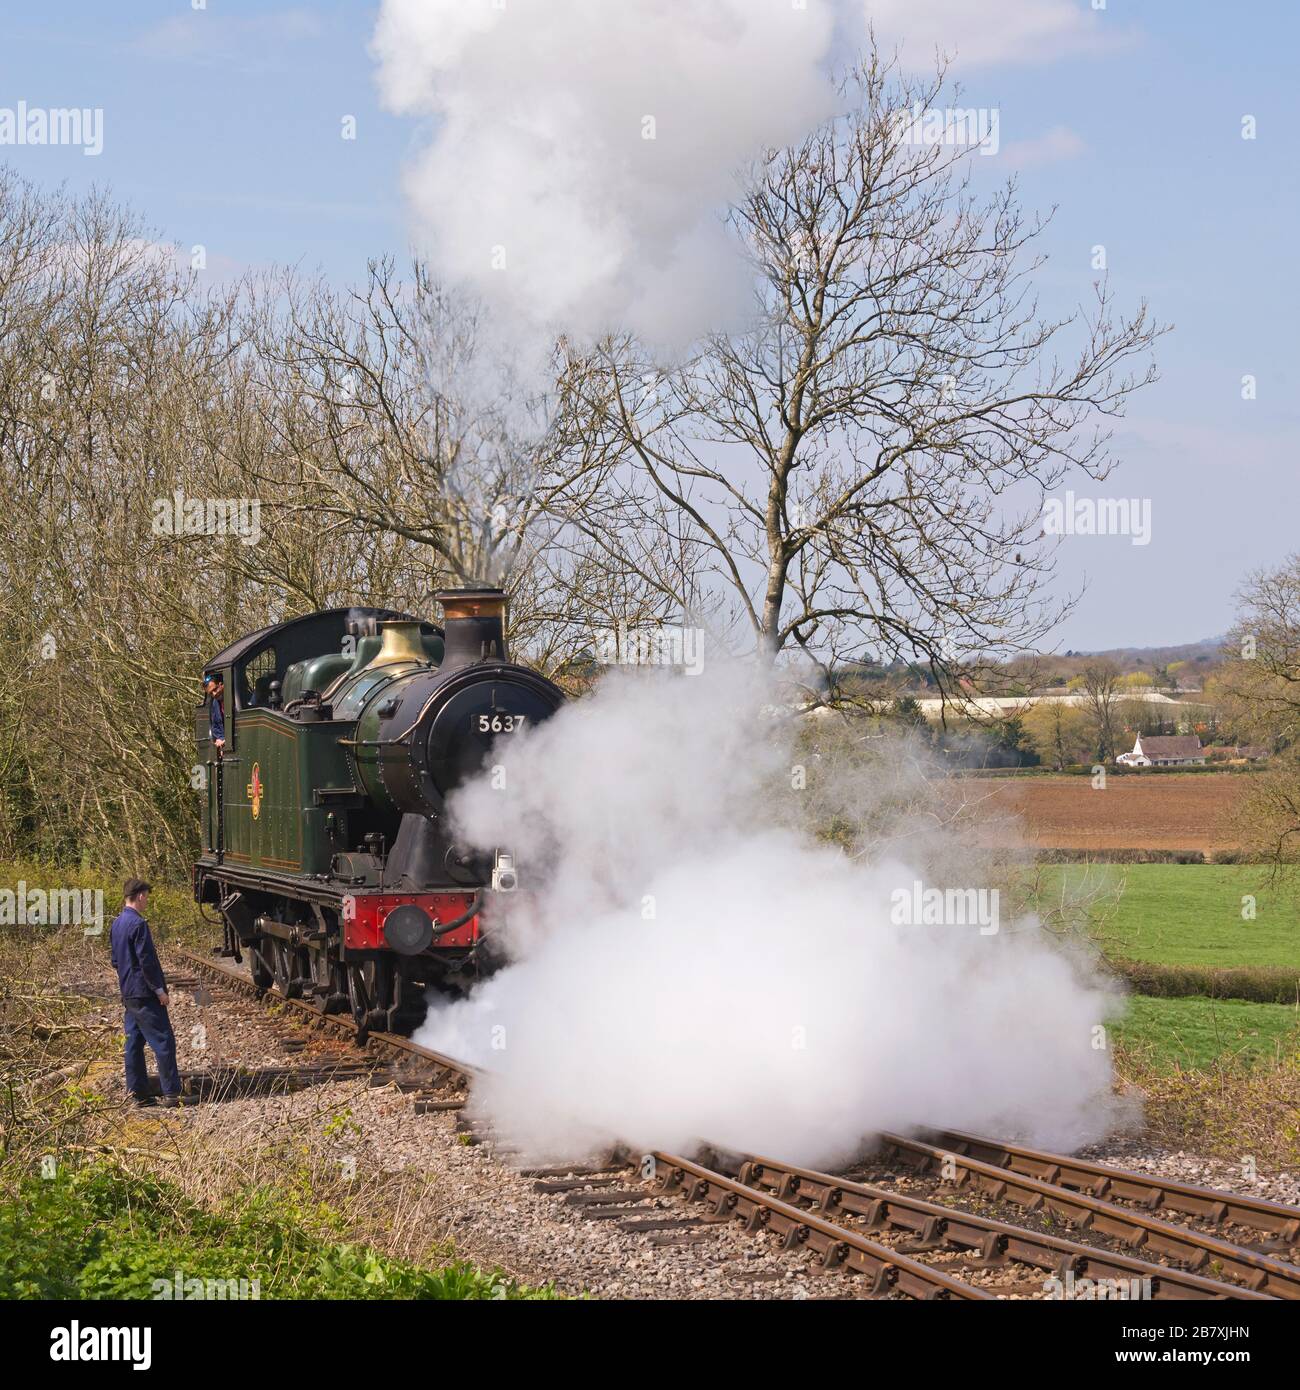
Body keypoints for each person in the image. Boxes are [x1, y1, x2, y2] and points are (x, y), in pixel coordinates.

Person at [109, 879, 183, 1109]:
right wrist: (159, 990)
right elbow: (147, 962)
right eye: (147, 896)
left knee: (133, 1043)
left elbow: (114, 960)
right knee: (163, 1040)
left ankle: (139, 1094)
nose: (147, 901)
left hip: (128, 992)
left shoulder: (117, 924)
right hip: (144, 993)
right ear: (140, 896)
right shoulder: (138, 925)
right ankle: (172, 1093)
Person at [204, 672, 225, 754]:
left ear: (221, 684)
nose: (214, 694)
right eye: (211, 693)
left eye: (215, 689)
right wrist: (220, 739)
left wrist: (227, 740)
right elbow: (216, 726)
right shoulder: (215, 703)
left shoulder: (237, 700)